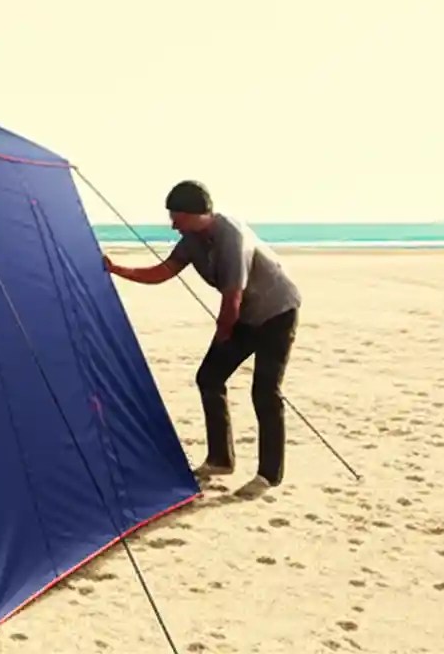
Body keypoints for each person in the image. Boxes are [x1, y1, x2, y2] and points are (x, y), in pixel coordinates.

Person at [102, 180, 302, 497]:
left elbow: (232, 298)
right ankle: (221, 460)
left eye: (177, 217)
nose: (173, 225)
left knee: (265, 391)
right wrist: (116, 270)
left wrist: (224, 336)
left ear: (196, 214)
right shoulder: (191, 241)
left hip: (277, 312)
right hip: (245, 315)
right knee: (209, 377)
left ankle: (268, 475)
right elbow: (162, 272)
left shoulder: (231, 236)